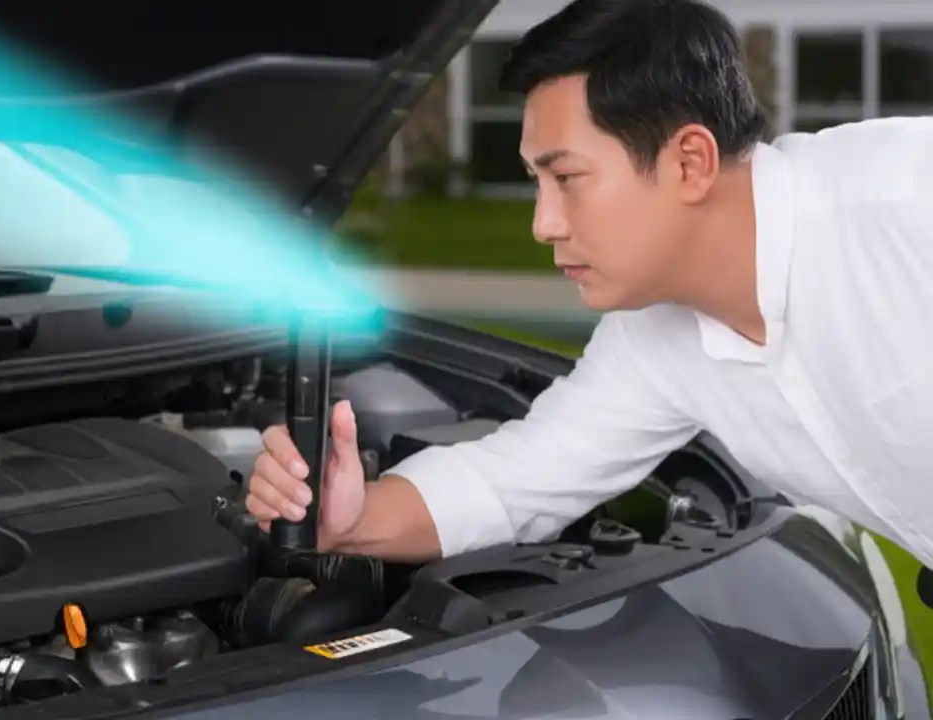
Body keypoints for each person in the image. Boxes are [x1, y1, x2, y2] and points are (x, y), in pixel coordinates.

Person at [244, 0, 933, 570]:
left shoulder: (906, 198)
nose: (543, 224)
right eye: (536, 183)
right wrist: (354, 517)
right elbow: (515, 481)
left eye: (568, 178)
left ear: (690, 162)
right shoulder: (650, 341)